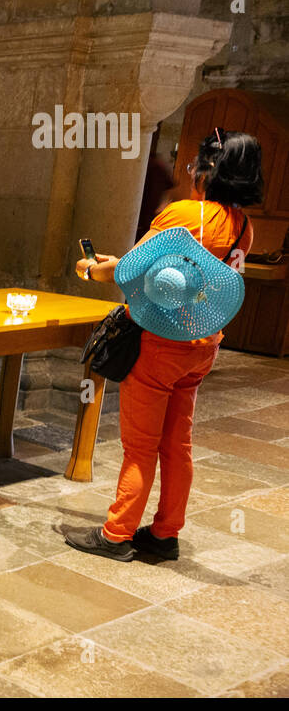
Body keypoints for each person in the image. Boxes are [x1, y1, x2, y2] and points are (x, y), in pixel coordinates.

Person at [66, 127, 261, 561]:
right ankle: (165, 533)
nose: (189, 173)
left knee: (140, 446)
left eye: (193, 166)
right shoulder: (245, 229)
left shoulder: (183, 214)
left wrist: (89, 269)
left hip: (158, 343)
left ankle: (116, 533)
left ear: (208, 173)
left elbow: (131, 272)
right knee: (178, 444)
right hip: (202, 347)